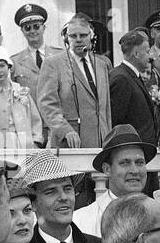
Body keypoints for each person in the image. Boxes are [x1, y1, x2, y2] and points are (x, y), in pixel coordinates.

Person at [35, 13, 113, 149]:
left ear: (91, 37)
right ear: (66, 39)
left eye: (83, 35)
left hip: (102, 143)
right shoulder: (53, 63)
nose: (78, 40)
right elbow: (47, 103)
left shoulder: (102, 64)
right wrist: (65, 130)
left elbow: (106, 110)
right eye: (73, 36)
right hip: (70, 144)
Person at [72, 124, 154, 238]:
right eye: (125, 163)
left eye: (140, 162)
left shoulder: (159, 215)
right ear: (107, 169)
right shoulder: (81, 221)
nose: (134, 170)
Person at [0, 47, 43, 155]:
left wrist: (35, 142)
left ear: (9, 67)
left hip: (25, 147)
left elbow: (35, 120)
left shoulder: (21, 91)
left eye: (2, 66)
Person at [110, 29, 160, 148]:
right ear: (136, 54)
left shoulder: (131, 76)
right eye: (147, 51)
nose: (150, 56)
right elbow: (117, 122)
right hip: (132, 149)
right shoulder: (121, 78)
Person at [9, 3, 50, 95]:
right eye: (27, 28)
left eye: (36, 26)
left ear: (43, 28)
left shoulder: (59, 55)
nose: (32, 31)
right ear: (22, 31)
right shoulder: (15, 62)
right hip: (28, 108)